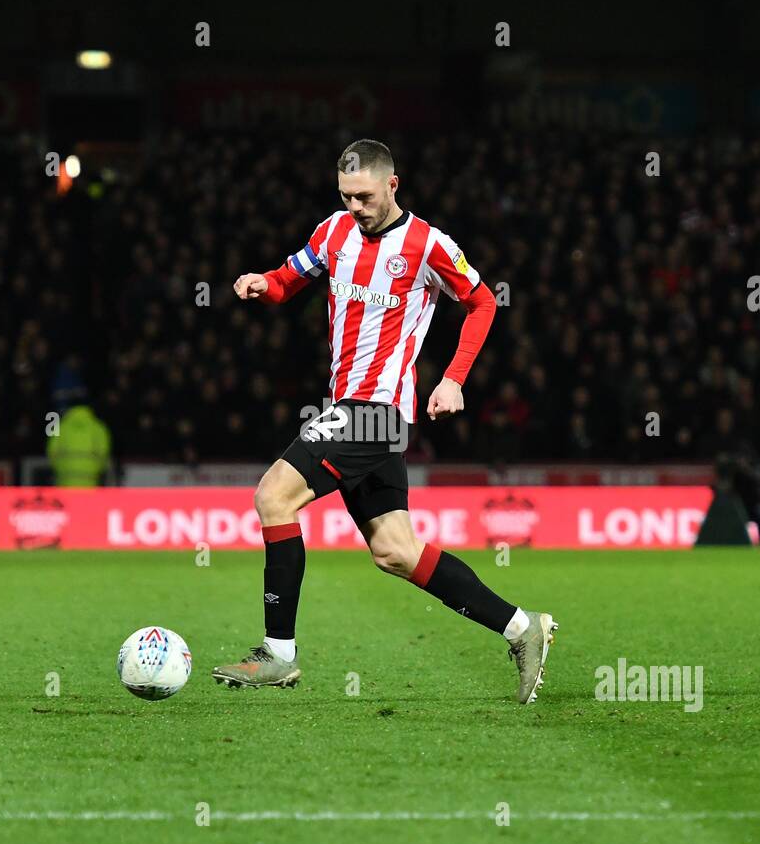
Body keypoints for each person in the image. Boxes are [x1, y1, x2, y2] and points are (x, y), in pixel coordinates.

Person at [219, 139, 556, 704]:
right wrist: (263, 284)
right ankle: (524, 628)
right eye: (347, 196)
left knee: (273, 497)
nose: (356, 206)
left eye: (366, 196)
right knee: (395, 551)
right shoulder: (332, 232)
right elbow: (287, 279)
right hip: (346, 409)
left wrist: (453, 378)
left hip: (375, 413)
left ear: (393, 185)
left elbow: (483, 302)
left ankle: (277, 655)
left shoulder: (428, 245)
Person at [47, 394, 112, 487]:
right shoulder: (98, 427)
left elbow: (52, 453)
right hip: (90, 484)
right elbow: (104, 454)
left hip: (65, 483)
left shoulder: (60, 426)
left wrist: (60, 469)